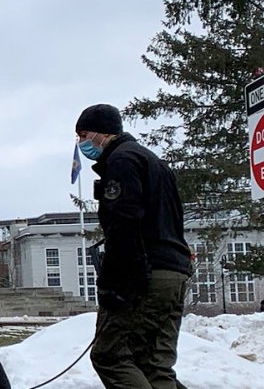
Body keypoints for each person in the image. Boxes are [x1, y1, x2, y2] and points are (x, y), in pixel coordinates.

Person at [77, 103, 192, 389]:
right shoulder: (154, 162)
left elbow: (124, 224)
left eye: (84, 134)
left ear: (103, 133)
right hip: (174, 272)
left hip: (146, 273)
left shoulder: (122, 162)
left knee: (110, 356)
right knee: (154, 364)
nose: (81, 142)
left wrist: (116, 282)